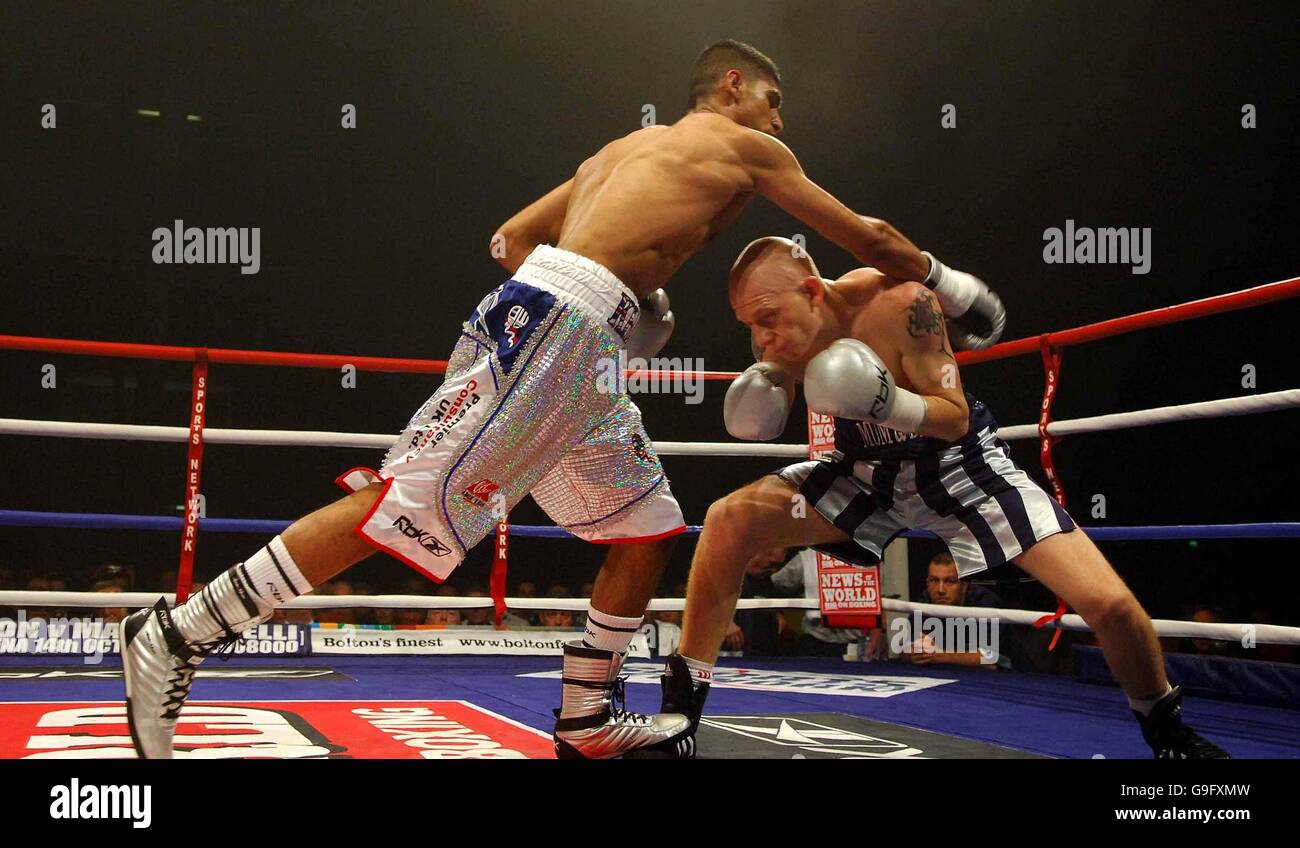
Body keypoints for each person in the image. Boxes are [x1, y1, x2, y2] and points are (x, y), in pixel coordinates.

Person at [121, 40, 1003, 760]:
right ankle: (180, 630)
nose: (782, 120)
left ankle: (585, 717)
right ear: (732, 86)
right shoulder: (746, 146)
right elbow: (867, 238)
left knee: (646, 528)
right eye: (774, 100)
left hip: (575, 335)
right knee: (405, 505)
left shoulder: (613, 155)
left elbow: (510, 240)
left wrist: (624, 295)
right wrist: (952, 284)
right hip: (561, 331)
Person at [658, 237, 1227, 759]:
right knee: (727, 520)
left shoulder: (904, 304)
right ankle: (681, 713)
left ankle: (1168, 731)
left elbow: (953, 418)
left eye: (765, 320)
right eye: (749, 325)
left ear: (811, 291)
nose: (760, 338)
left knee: (1111, 606)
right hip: (865, 472)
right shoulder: (782, 335)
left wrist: (888, 402)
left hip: (958, 467)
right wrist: (768, 395)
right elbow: (773, 390)